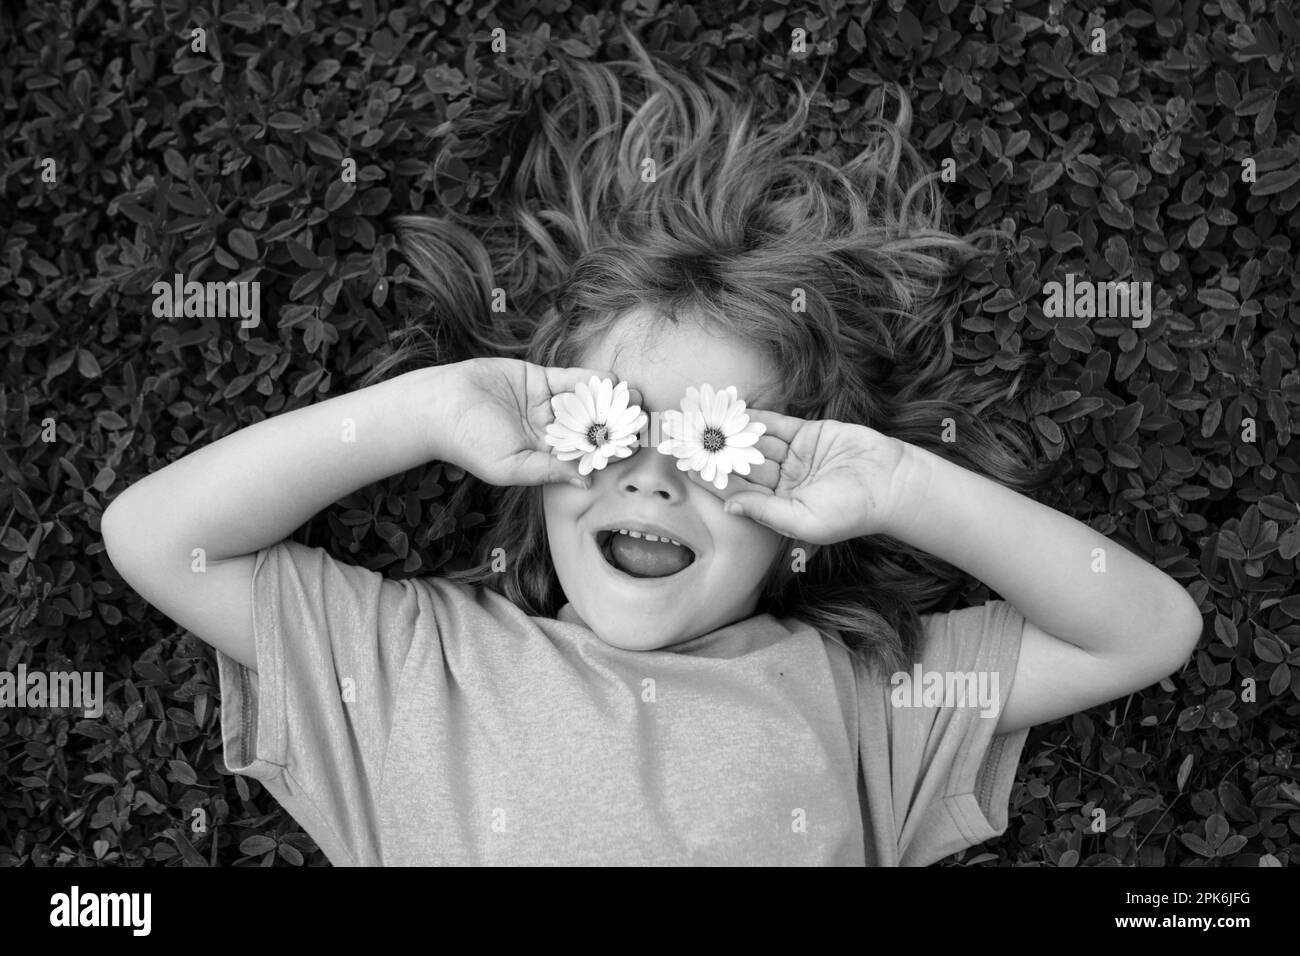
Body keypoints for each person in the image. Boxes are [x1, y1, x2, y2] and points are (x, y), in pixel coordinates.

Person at [102, 32, 1202, 865]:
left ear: (790, 521)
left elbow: (1144, 628)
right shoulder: (407, 660)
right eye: (612, 423)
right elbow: (154, 536)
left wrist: (903, 483)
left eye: (720, 448)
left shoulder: (864, 696)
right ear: (537, 464)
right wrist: (428, 411)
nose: (652, 471)